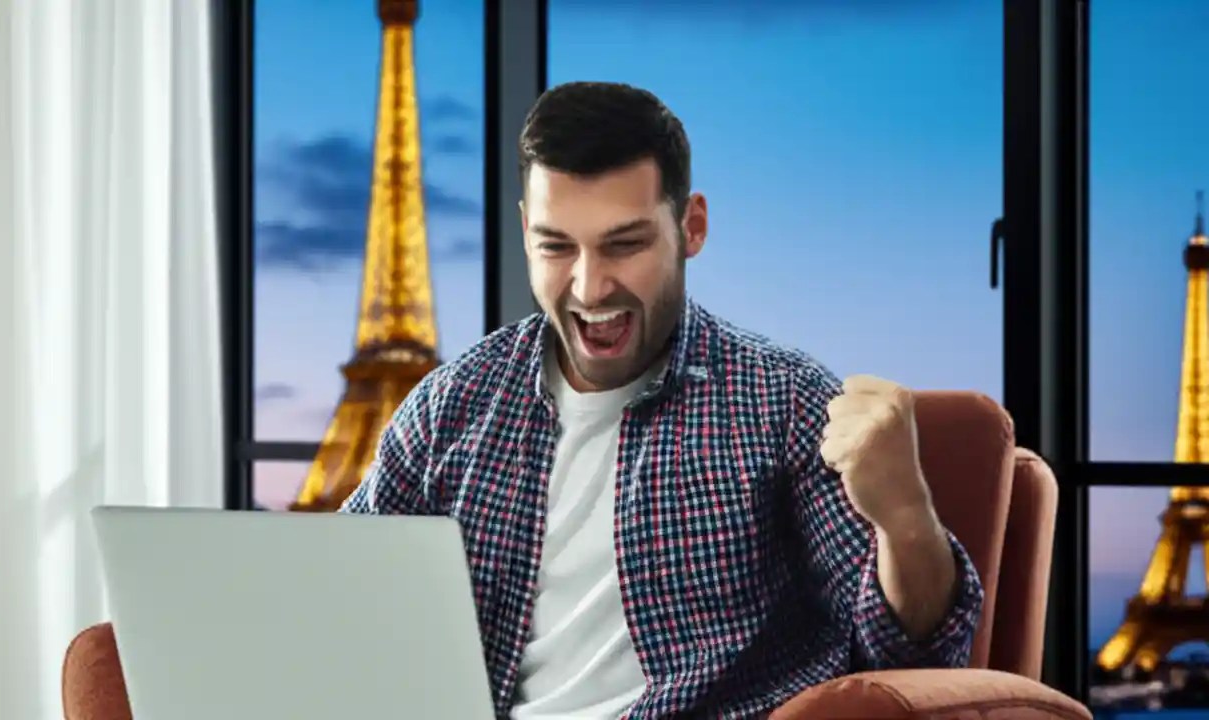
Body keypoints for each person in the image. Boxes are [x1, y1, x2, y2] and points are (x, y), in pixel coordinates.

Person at [339, 81, 984, 719]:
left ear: (691, 227)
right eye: (556, 246)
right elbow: (337, 595)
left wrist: (905, 516)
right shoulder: (449, 405)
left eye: (625, 245)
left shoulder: (783, 403)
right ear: (524, 231)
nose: (590, 288)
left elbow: (915, 657)